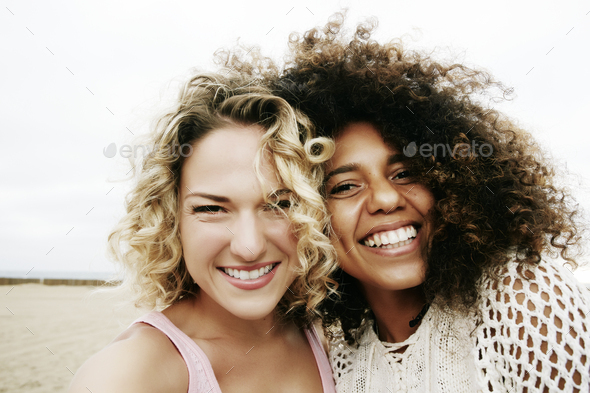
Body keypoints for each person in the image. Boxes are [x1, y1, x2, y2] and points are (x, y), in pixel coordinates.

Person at [270, 14, 590, 392]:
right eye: (344, 187)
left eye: (405, 173)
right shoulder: (332, 352)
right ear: (308, 212)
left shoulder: (526, 301)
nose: (386, 199)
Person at [68, 71, 338, 393]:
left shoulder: (330, 342)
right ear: (170, 222)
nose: (249, 247)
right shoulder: (128, 373)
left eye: (278, 205)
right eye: (211, 209)